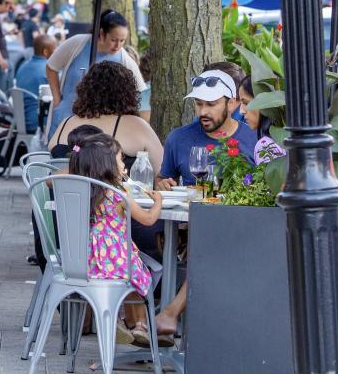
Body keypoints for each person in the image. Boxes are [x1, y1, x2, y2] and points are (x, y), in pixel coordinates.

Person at [68, 133, 164, 346]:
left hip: (87, 262)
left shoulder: (84, 193)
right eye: (121, 160)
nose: (124, 166)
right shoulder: (119, 196)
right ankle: (139, 325)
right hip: (117, 261)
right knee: (138, 272)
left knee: (130, 271)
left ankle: (119, 321)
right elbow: (148, 219)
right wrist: (158, 201)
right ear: (107, 165)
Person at [44, 9, 145, 139]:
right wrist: (57, 100)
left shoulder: (124, 59)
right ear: (102, 33)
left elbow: (140, 90)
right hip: (65, 119)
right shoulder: (77, 43)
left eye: (122, 40)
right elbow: (51, 66)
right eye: (114, 39)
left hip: (99, 130)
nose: (118, 45)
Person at [48, 61, 164, 170]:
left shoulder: (66, 123)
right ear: (127, 94)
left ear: (85, 90)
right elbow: (161, 171)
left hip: (58, 185)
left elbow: (50, 165)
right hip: (114, 186)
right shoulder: (137, 126)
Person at [156, 68, 259, 189]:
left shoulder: (257, 138)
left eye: (211, 104)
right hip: (193, 202)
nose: (203, 112)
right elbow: (161, 179)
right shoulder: (177, 138)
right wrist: (162, 184)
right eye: (199, 103)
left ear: (230, 104)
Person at [15, 35, 56, 134]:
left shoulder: (22, 67)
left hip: (21, 122)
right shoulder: (49, 70)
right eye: (55, 49)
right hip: (38, 124)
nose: (57, 52)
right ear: (45, 52)